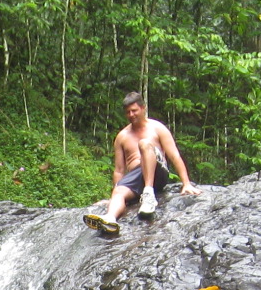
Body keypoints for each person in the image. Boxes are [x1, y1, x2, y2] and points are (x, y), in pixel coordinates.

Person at [83, 92, 200, 235]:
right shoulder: (122, 136)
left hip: (157, 172)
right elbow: (119, 170)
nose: (131, 115)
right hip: (136, 176)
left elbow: (174, 155)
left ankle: (148, 194)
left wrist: (186, 183)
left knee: (144, 144)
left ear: (143, 108)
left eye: (134, 111)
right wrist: (112, 196)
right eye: (128, 112)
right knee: (119, 192)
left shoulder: (157, 128)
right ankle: (110, 219)